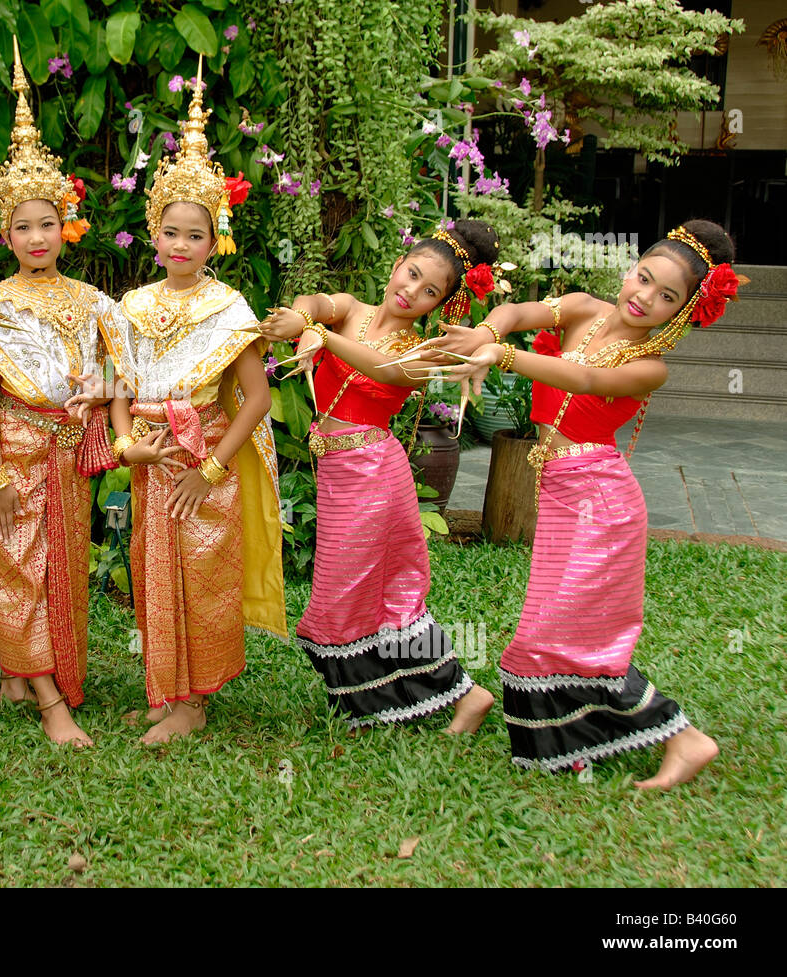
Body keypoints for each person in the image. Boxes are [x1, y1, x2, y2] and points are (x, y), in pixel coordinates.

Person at [433, 220, 738, 789]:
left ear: (683, 312)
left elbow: (587, 378)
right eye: (643, 277)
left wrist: (501, 357)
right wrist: (485, 331)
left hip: (602, 501)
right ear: (631, 268)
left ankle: (683, 737)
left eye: (666, 296)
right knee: (552, 634)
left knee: (555, 633)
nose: (644, 297)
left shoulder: (651, 367)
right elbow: (517, 316)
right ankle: (575, 746)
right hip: (560, 491)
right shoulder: (580, 309)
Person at [100, 62, 285, 745]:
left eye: (196, 235)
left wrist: (211, 467)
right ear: (153, 230)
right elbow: (119, 390)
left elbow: (257, 398)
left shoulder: (229, 306)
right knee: (152, 570)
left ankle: (195, 704)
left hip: (205, 455)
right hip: (151, 456)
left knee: (201, 572)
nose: (181, 246)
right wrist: (125, 444)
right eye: (170, 232)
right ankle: (166, 690)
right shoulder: (134, 305)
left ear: (217, 240)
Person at [258, 221, 499, 734]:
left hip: (373, 475)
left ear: (440, 304)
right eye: (410, 274)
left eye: (429, 290)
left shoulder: (424, 351)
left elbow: (386, 370)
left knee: (351, 593)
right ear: (397, 266)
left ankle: (463, 693)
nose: (411, 291)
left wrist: (322, 337)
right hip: (341, 473)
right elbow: (319, 302)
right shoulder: (352, 310)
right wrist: (302, 317)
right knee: (355, 595)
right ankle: (378, 700)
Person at [0, 40, 113, 747]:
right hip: (13, 447)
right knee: (17, 564)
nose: (37, 235)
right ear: (5, 232)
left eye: (48, 222)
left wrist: (98, 394)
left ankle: (26, 670)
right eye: (23, 225)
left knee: (58, 572)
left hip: (69, 453)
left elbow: (115, 378)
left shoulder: (91, 300)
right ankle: (51, 702)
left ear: (65, 224)